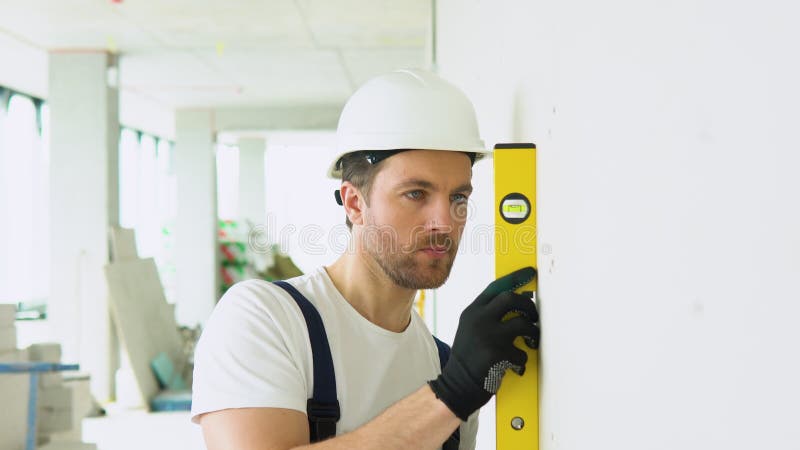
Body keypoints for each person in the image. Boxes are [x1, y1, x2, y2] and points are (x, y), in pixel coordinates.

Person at [191, 69, 540, 450]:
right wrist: (451, 396)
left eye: (458, 197)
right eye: (416, 194)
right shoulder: (266, 320)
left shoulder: (445, 365)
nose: (445, 221)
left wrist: (455, 389)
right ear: (355, 203)